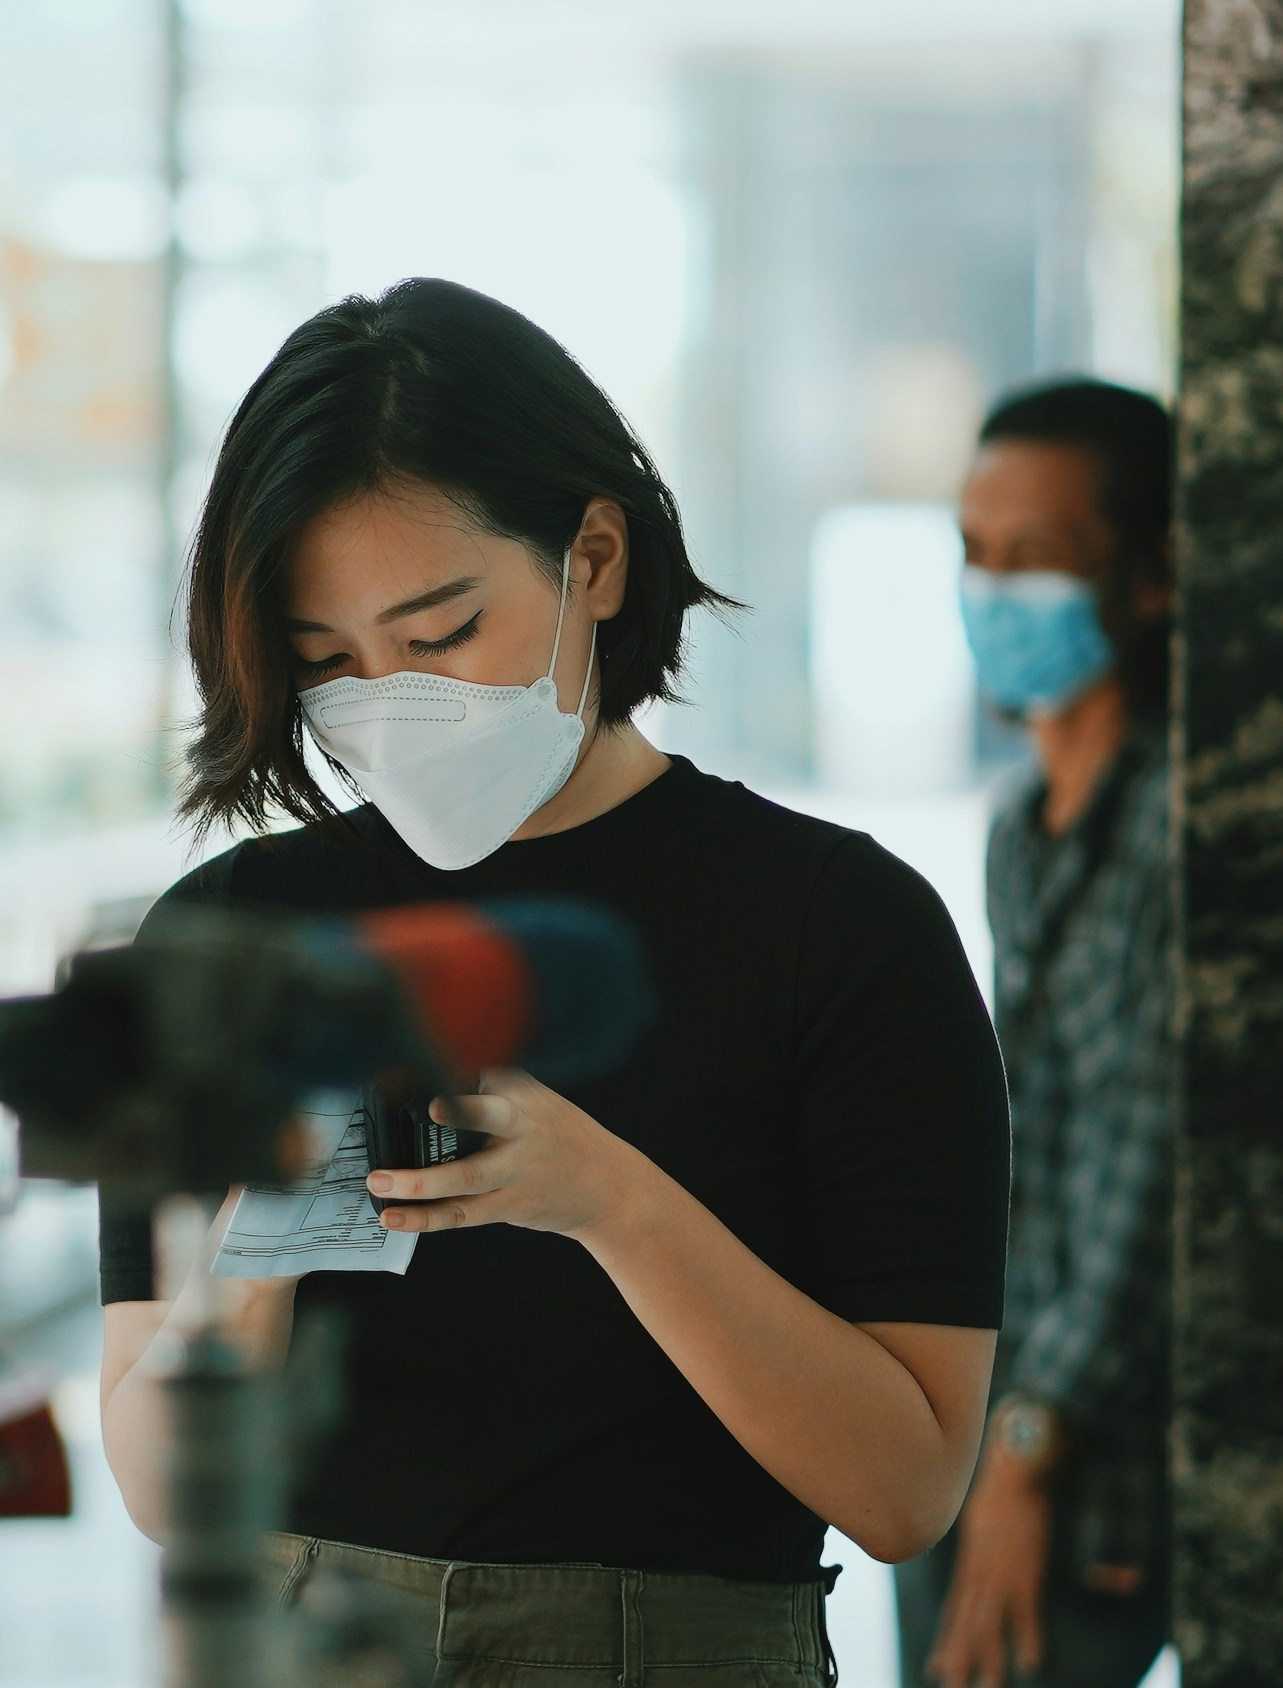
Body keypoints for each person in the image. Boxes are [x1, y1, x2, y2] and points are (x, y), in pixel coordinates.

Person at [96, 278, 1012, 1686]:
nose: (386, 700)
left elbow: (907, 1490)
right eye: (326, 661)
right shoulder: (233, 934)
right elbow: (164, 1487)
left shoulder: (841, 927)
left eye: (444, 632)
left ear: (593, 557)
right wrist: (276, 1212)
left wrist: (603, 1199)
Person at [898, 381, 1177, 1688]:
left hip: (1092, 1465)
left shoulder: (1179, 823)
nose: (996, 593)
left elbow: (1144, 1162)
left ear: (1153, 576)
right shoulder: (1023, 827)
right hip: (993, 1415)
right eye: (975, 553)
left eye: (1042, 558)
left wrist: (1025, 1451)